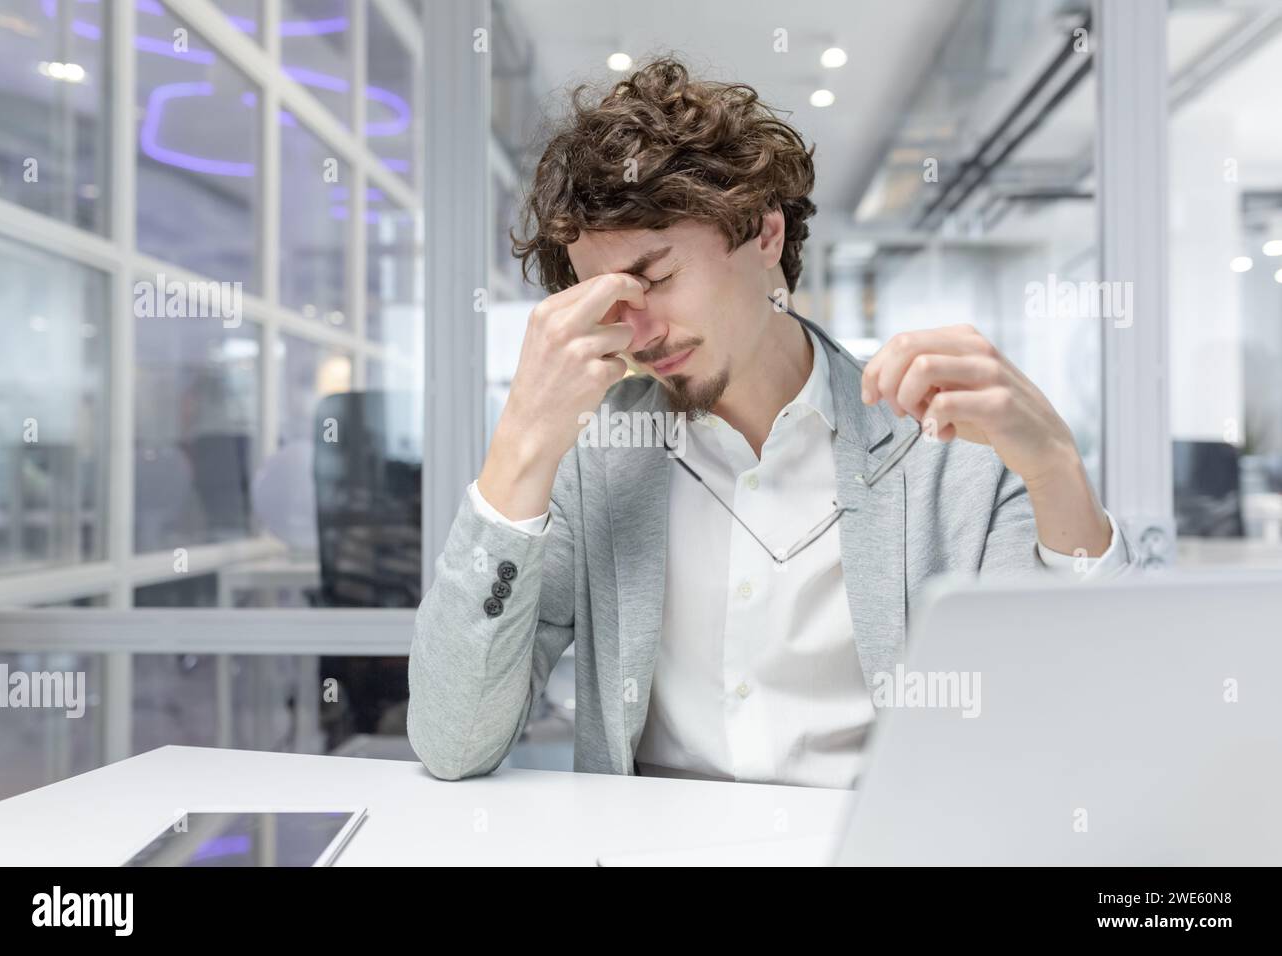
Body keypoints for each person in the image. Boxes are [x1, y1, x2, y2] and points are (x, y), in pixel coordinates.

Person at [407, 58, 1128, 787]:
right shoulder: (594, 458)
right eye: (607, 301)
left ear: (764, 234)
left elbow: (1073, 720)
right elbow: (452, 740)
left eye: (654, 278)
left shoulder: (943, 440)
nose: (641, 330)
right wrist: (520, 444)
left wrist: (1056, 469)